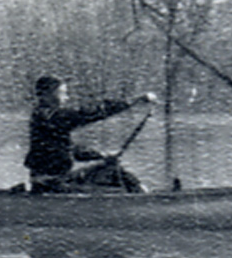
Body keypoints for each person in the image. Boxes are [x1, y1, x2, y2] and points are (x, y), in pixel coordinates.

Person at [22, 75, 155, 194]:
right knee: (113, 174)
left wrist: (100, 156)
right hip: (51, 184)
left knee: (110, 169)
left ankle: (142, 194)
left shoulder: (45, 117)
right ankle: (143, 198)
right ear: (45, 95)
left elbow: (69, 148)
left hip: (55, 181)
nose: (66, 98)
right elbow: (88, 113)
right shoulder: (50, 116)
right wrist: (131, 102)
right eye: (62, 93)